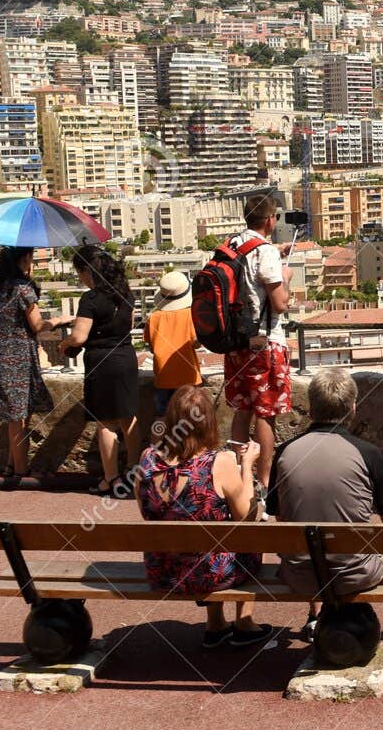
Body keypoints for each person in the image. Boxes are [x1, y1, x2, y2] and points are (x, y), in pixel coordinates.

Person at [268, 368, 383, 645]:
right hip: (355, 574)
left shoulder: (284, 453)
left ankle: (316, 616)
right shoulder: (367, 453)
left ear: (311, 407)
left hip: (300, 575)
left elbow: (280, 517)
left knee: (306, 529)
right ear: (353, 408)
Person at [136, 385, 271, 650]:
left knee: (208, 540)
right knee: (246, 538)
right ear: (208, 422)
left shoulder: (147, 458)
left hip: (164, 571)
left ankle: (216, 624)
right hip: (209, 574)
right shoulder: (218, 462)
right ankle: (244, 623)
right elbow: (247, 516)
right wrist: (246, 466)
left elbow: (146, 511)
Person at [222, 193, 292, 491]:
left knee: (242, 409)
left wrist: (274, 250)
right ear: (270, 220)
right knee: (266, 413)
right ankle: (263, 484)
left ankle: (239, 476)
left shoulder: (232, 245)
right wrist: (286, 276)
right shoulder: (267, 254)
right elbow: (279, 303)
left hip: (235, 342)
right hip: (264, 345)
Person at [60, 243, 140, 497]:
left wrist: (65, 343)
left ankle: (111, 479)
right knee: (129, 418)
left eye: (79, 273)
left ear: (87, 271)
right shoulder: (125, 293)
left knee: (105, 423)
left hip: (101, 361)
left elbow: (80, 337)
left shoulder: (91, 298)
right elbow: (127, 324)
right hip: (126, 357)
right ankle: (135, 472)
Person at [0, 246, 57, 483]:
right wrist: (58, 320)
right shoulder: (22, 288)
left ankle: (10, 465)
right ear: (24, 259)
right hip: (18, 356)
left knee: (18, 411)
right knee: (18, 416)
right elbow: (36, 325)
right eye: (31, 257)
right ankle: (21, 472)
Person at [144, 270, 201, 419]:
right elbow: (197, 343)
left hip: (163, 377)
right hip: (188, 376)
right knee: (189, 420)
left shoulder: (154, 317)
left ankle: (158, 443)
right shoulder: (191, 315)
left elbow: (151, 347)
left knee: (161, 418)